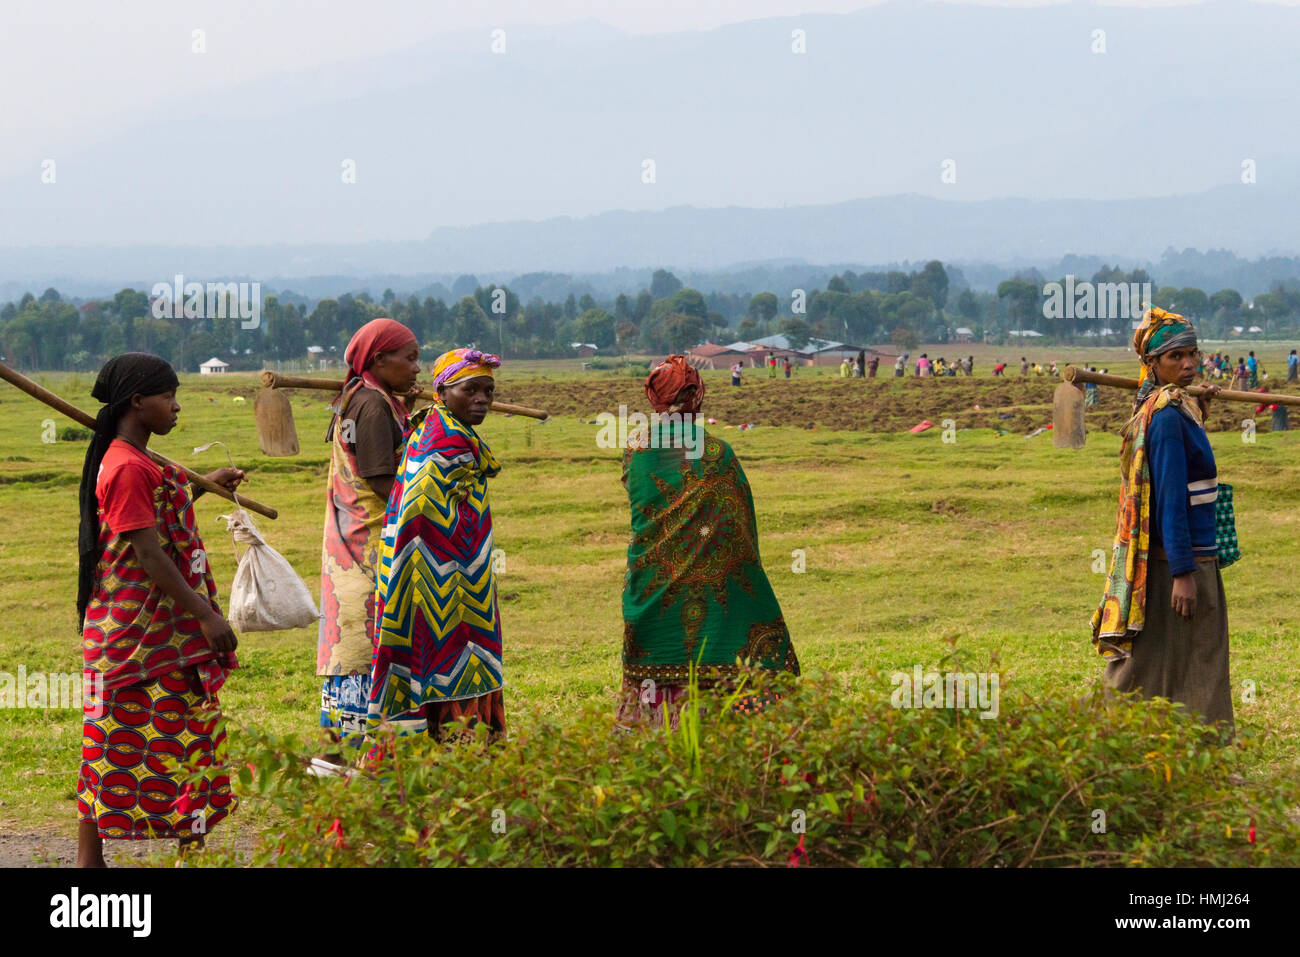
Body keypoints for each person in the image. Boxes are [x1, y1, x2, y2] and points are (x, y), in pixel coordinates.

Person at [76, 353, 244, 866]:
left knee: (188, 736)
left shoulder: (139, 461)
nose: (176, 408)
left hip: (161, 633)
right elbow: (148, 554)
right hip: (139, 635)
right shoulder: (126, 466)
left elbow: (154, 513)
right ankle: (91, 861)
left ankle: (189, 852)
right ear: (137, 401)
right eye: (169, 396)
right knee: (114, 746)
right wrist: (206, 616)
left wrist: (199, 483)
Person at [618, 356, 799, 728]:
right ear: (698, 397)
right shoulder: (719, 454)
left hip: (653, 584)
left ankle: (660, 736)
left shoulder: (635, 451)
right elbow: (740, 527)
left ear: (655, 400)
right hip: (721, 585)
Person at [1091, 307, 1231, 734]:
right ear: (1151, 364)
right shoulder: (1168, 416)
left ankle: (1157, 745)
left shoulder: (1173, 407)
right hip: (1180, 560)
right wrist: (1185, 573)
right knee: (1197, 653)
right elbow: (1171, 498)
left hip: (1176, 558)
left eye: (1193, 354)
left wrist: (1198, 404)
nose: (1189, 364)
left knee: (1162, 654)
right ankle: (1197, 752)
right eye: (1176, 358)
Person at [368, 349, 507, 743]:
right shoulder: (444, 443)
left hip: (454, 577)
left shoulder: (437, 430)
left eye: (488, 391)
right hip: (442, 586)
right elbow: (420, 517)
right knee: (450, 654)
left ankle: (448, 746)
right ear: (442, 393)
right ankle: (458, 747)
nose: (481, 399)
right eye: (470, 389)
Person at [317, 318, 421, 758]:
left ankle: (339, 759)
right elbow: (385, 483)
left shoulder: (369, 399)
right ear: (380, 360)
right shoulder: (373, 407)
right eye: (410, 358)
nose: (418, 368)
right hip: (366, 551)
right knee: (362, 651)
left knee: (353, 650)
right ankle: (347, 760)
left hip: (349, 547)